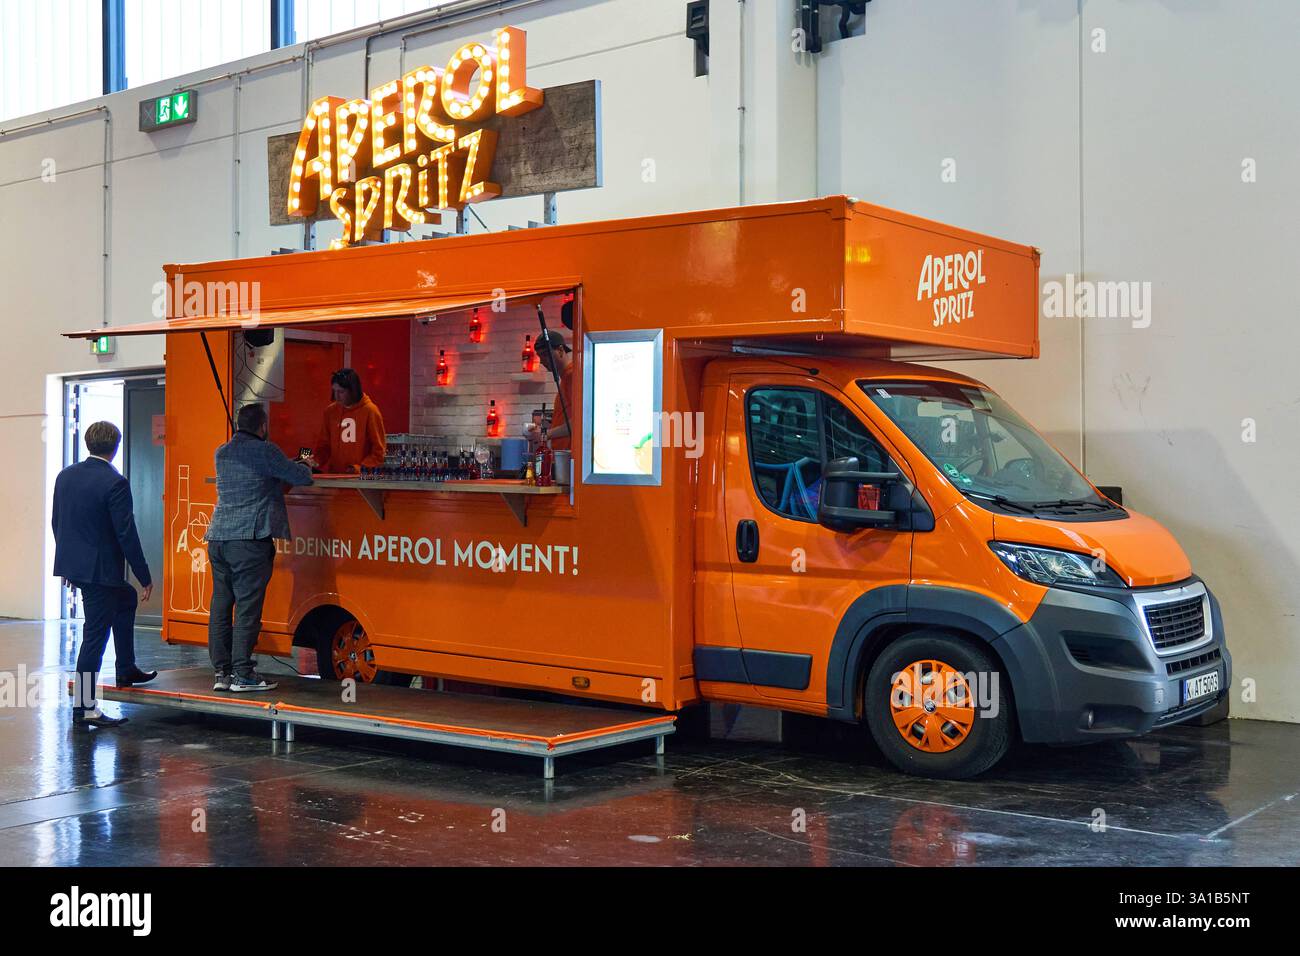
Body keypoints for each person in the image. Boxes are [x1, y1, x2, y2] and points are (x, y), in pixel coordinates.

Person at [52, 421, 156, 728]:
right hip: (100, 571)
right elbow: (126, 533)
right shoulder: (115, 482)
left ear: (88, 443)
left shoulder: (65, 476)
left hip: (80, 567)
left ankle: (126, 667)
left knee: (126, 598)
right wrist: (144, 573)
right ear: (115, 447)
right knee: (94, 637)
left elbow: (58, 522)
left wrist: (71, 566)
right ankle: (84, 707)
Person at [206, 403, 313, 692]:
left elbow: (256, 476)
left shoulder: (222, 451)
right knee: (247, 608)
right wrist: (304, 463)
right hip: (248, 540)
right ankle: (244, 675)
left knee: (220, 604)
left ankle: (222, 674)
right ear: (263, 426)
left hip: (218, 537)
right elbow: (303, 477)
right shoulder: (266, 451)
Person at [315, 368, 387, 473]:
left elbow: (378, 452)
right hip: (335, 478)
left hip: (360, 480)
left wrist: (359, 468)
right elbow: (323, 446)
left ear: (353, 391)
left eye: (341, 392)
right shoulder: (330, 411)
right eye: (334, 391)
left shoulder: (370, 411)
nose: (336, 396)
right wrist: (310, 462)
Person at [534, 330, 574, 451]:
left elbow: (579, 422)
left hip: (569, 456)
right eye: (540, 356)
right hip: (564, 455)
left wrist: (546, 434)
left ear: (561, 350)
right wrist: (549, 423)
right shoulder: (566, 378)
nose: (541, 361)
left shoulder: (573, 376)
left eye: (545, 354)